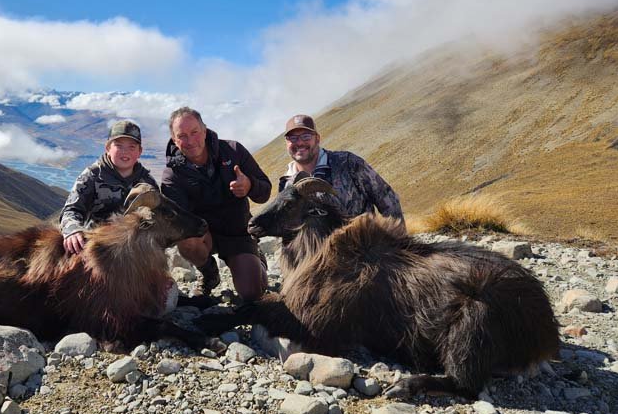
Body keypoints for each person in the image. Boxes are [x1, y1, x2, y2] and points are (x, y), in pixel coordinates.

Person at [161, 107, 271, 301]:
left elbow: (265, 192)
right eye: (182, 136)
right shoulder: (172, 175)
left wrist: (249, 185)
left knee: (253, 294)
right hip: (203, 234)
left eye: (194, 132)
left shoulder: (234, 151)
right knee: (185, 238)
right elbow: (178, 220)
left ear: (204, 130)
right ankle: (210, 274)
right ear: (175, 140)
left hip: (238, 231)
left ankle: (255, 255)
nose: (190, 140)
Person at [279, 114, 405, 227]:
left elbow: (386, 197)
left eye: (306, 136)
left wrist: (398, 240)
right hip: (319, 253)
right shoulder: (286, 185)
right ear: (286, 142)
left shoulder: (348, 163)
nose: (300, 142)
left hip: (365, 248)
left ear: (317, 138)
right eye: (293, 138)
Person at [60, 120, 157, 254]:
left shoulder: (147, 182)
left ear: (140, 151)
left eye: (132, 147)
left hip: (135, 247)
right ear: (108, 148)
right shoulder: (92, 175)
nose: (125, 152)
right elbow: (71, 210)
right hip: (98, 245)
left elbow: (157, 216)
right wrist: (72, 230)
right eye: (119, 146)